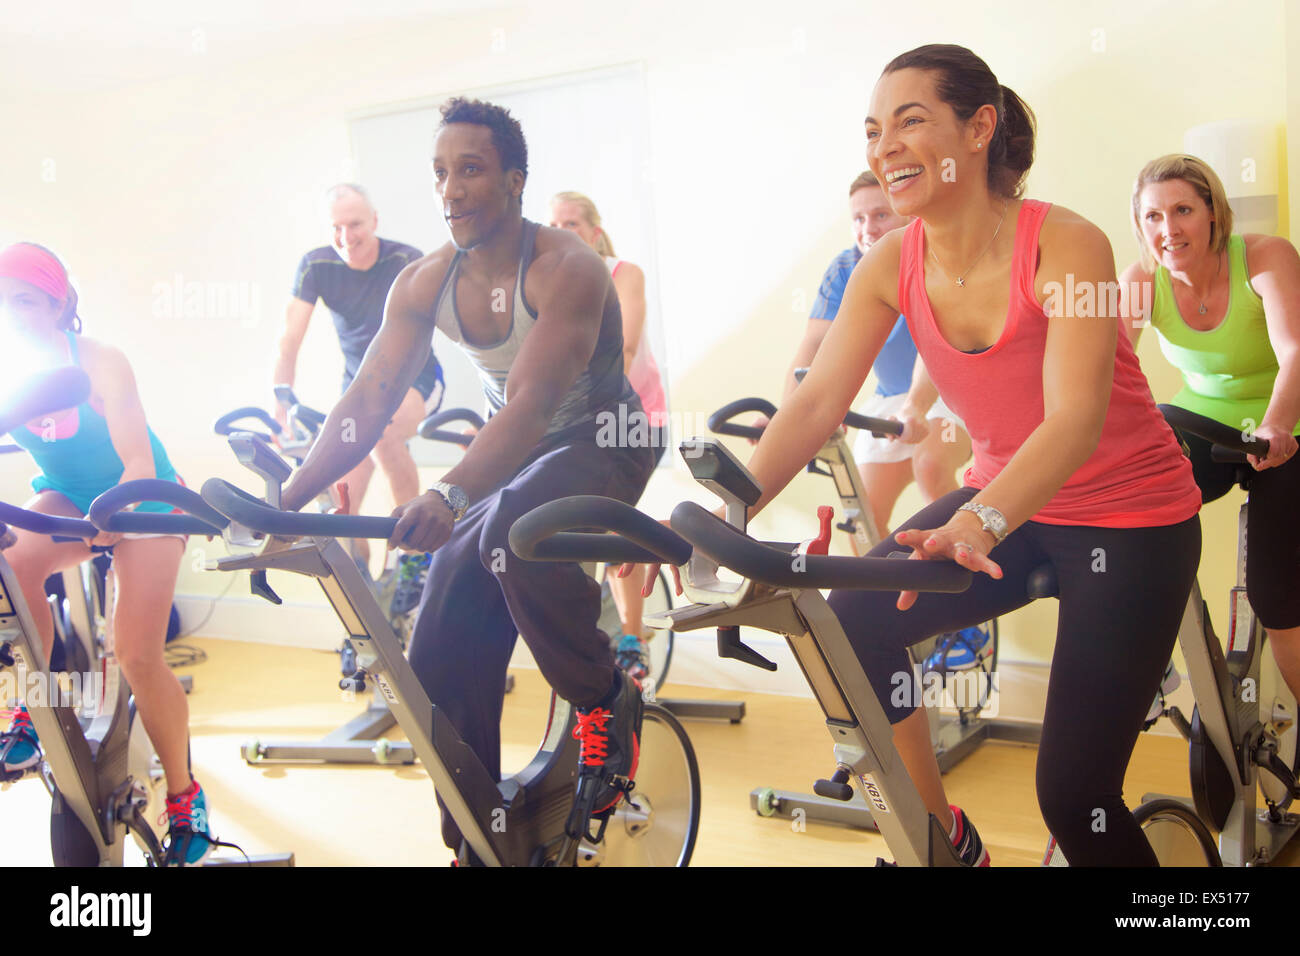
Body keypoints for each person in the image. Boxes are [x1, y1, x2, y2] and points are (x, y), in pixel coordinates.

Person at [650, 44, 1202, 866]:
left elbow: (1076, 420)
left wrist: (980, 519)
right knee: (854, 633)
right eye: (874, 130)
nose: (886, 147)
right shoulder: (889, 264)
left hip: (1129, 520)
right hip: (1007, 503)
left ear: (979, 128)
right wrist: (719, 518)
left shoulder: (1068, 246)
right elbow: (812, 405)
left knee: (1074, 793)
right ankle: (944, 841)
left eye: (911, 121)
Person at [276, 98, 653, 857]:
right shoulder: (423, 282)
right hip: (520, 452)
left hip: (604, 441)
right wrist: (287, 503)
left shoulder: (565, 269)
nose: (451, 188)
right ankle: (479, 835)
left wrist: (450, 491)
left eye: (471, 170)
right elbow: (369, 397)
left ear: (515, 181)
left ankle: (605, 697)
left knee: (515, 533)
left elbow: (534, 404)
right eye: (441, 172)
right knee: (443, 615)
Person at [0, 242, 220, 866]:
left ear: (58, 303)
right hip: (69, 496)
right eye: (3, 301)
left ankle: (184, 796)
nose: (13, 313)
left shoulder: (99, 361)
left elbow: (137, 459)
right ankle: (34, 708)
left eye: (27, 300)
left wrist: (113, 517)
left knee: (136, 654)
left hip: (143, 498)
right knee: (13, 569)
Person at [1121, 154, 1300, 703]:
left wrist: (1275, 424)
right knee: (1129, 512)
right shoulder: (1138, 281)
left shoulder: (1267, 256)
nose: (1168, 230)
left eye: (1182, 211)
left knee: (1277, 596)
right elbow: (1104, 373)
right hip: (1202, 424)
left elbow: (1294, 349)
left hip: (1285, 427)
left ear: (1213, 214)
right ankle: (1152, 663)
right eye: (1153, 217)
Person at [772, 171, 971, 544]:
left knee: (929, 465)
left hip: (951, 389)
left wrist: (916, 406)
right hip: (891, 397)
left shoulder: (931, 253)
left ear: (908, 213)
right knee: (861, 516)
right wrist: (789, 415)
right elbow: (814, 346)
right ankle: (894, 598)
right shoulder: (845, 268)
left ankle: (969, 564)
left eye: (881, 215)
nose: (868, 228)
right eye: (859, 219)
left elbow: (933, 341)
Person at [278, 183, 445, 600]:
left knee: (383, 431)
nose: (345, 237)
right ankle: (364, 595)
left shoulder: (405, 260)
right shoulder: (316, 265)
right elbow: (289, 339)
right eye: (336, 227)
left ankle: (413, 560)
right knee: (339, 501)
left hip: (415, 379)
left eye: (355, 225)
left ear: (374, 222)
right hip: (360, 387)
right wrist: (281, 406)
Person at [549, 191, 668, 681]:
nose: (564, 232)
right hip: (575, 425)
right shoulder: (549, 285)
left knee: (612, 520)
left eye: (573, 223)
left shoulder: (624, 273)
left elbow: (625, 348)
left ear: (595, 231)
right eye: (555, 224)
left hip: (634, 419)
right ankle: (587, 641)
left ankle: (631, 639)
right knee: (566, 528)